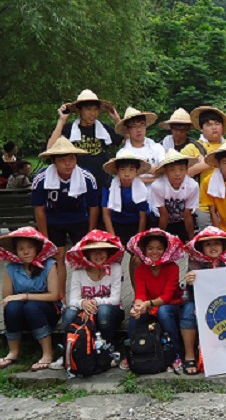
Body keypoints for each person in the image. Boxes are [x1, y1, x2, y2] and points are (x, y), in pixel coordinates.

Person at [32, 137, 100, 300]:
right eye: (62, 160)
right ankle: (60, 298)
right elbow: (39, 209)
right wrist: (45, 238)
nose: (68, 164)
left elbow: (93, 207)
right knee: (58, 257)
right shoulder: (41, 179)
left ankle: (87, 296)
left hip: (78, 219)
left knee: (84, 257)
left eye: (71, 159)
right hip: (53, 220)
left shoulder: (87, 177)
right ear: (54, 161)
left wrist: (90, 233)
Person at [0, 227, 60, 371]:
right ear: (16, 251)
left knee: (32, 306)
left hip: (46, 311)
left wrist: (25, 296)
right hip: (21, 314)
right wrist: (17, 298)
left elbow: (54, 295)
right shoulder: (11, 268)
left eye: (30, 247)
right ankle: (13, 351)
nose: (26, 251)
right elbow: (7, 297)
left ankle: (48, 353)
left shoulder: (49, 265)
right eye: (21, 248)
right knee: (12, 306)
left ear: (37, 248)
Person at [121, 228, 186, 371]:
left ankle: (176, 353)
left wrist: (147, 303)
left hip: (170, 304)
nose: (154, 252)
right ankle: (131, 352)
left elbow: (167, 296)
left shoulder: (173, 268)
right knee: (135, 315)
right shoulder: (141, 269)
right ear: (144, 250)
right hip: (148, 304)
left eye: (159, 248)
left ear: (165, 250)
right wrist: (138, 306)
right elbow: (140, 293)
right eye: (150, 248)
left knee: (163, 312)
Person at [181, 227, 226, 374]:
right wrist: (189, 282)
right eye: (208, 244)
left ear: (223, 246)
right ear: (202, 248)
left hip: (225, 304)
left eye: (216, 243)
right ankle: (189, 356)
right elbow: (191, 294)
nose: (213, 247)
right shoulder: (195, 263)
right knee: (188, 312)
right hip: (200, 304)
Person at [47, 89, 121, 195]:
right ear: (79, 111)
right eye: (88, 109)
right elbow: (50, 148)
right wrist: (62, 120)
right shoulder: (69, 130)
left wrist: (117, 119)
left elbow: (128, 141)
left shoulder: (104, 129)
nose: (93, 113)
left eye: (96, 109)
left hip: (102, 184)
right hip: (77, 185)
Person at [62, 230, 125, 345]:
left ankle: (108, 346)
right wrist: (83, 304)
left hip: (111, 312)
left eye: (102, 251)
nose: (99, 255)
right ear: (87, 254)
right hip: (85, 310)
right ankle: (72, 349)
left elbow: (115, 299)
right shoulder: (78, 272)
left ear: (108, 252)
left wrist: (93, 302)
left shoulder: (116, 268)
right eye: (94, 252)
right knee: (68, 315)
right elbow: (73, 301)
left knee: (104, 311)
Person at [182, 106, 226, 228]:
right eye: (208, 124)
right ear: (201, 128)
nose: (214, 127)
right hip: (202, 204)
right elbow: (179, 174)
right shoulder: (192, 149)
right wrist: (206, 164)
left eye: (217, 123)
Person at [101, 148, 151, 247]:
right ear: (117, 171)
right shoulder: (109, 186)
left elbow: (142, 216)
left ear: (137, 171)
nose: (127, 174)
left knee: (136, 256)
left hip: (136, 223)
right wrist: (113, 238)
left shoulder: (140, 188)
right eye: (123, 169)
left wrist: (138, 239)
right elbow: (106, 214)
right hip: (116, 224)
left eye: (131, 170)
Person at [149, 149, 200, 242]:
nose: (177, 174)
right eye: (172, 170)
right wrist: (161, 239)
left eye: (181, 169)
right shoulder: (157, 186)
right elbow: (163, 214)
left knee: (188, 240)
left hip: (181, 218)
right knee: (157, 241)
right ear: (165, 170)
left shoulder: (193, 186)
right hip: (160, 218)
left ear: (186, 169)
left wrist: (192, 240)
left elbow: (187, 214)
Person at [116, 106, 164, 187]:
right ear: (127, 129)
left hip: (158, 196)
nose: (139, 130)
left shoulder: (157, 148)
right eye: (134, 126)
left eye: (142, 125)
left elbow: (164, 170)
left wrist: (138, 173)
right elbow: (127, 179)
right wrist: (152, 173)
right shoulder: (122, 154)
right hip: (134, 197)